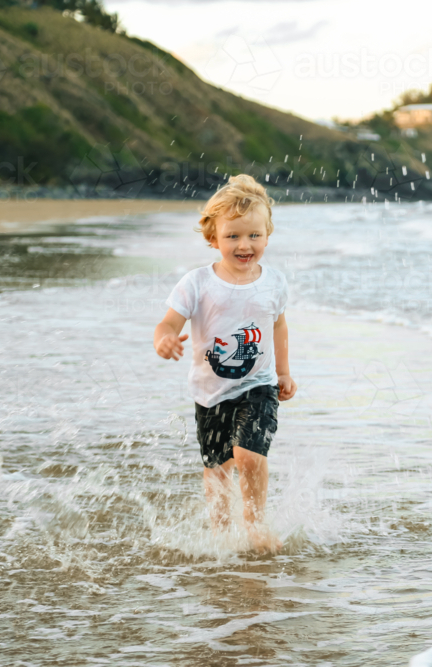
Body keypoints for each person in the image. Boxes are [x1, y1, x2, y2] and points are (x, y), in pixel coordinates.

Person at [153, 174, 297, 553]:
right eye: (232, 236)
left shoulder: (274, 282)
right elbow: (168, 322)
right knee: (217, 467)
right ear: (213, 238)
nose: (244, 244)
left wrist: (283, 372)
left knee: (249, 454)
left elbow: (278, 325)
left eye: (254, 235)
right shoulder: (197, 283)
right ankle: (221, 533)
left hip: (259, 385)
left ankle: (255, 525)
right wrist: (165, 339)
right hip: (210, 392)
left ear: (267, 235)